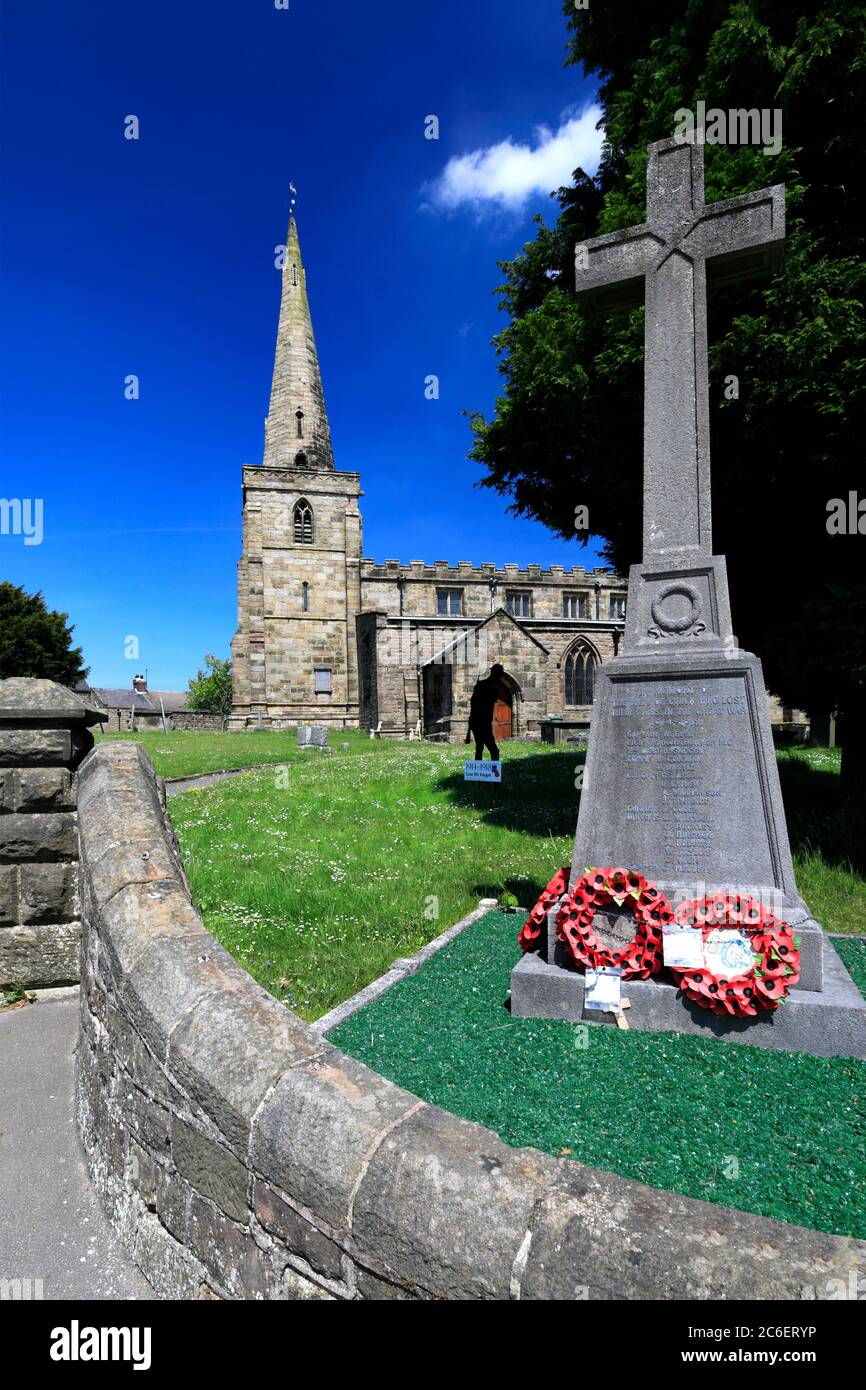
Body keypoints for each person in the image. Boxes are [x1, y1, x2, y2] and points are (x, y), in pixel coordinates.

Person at [465, 663, 505, 761]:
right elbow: (475, 704)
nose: (500, 678)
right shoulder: (490, 688)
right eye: (499, 675)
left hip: (478, 722)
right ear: (496, 674)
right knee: (492, 750)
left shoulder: (483, 686)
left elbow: (473, 704)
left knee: (480, 747)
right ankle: (493, 774)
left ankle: (479, 774)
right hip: (481, 722)